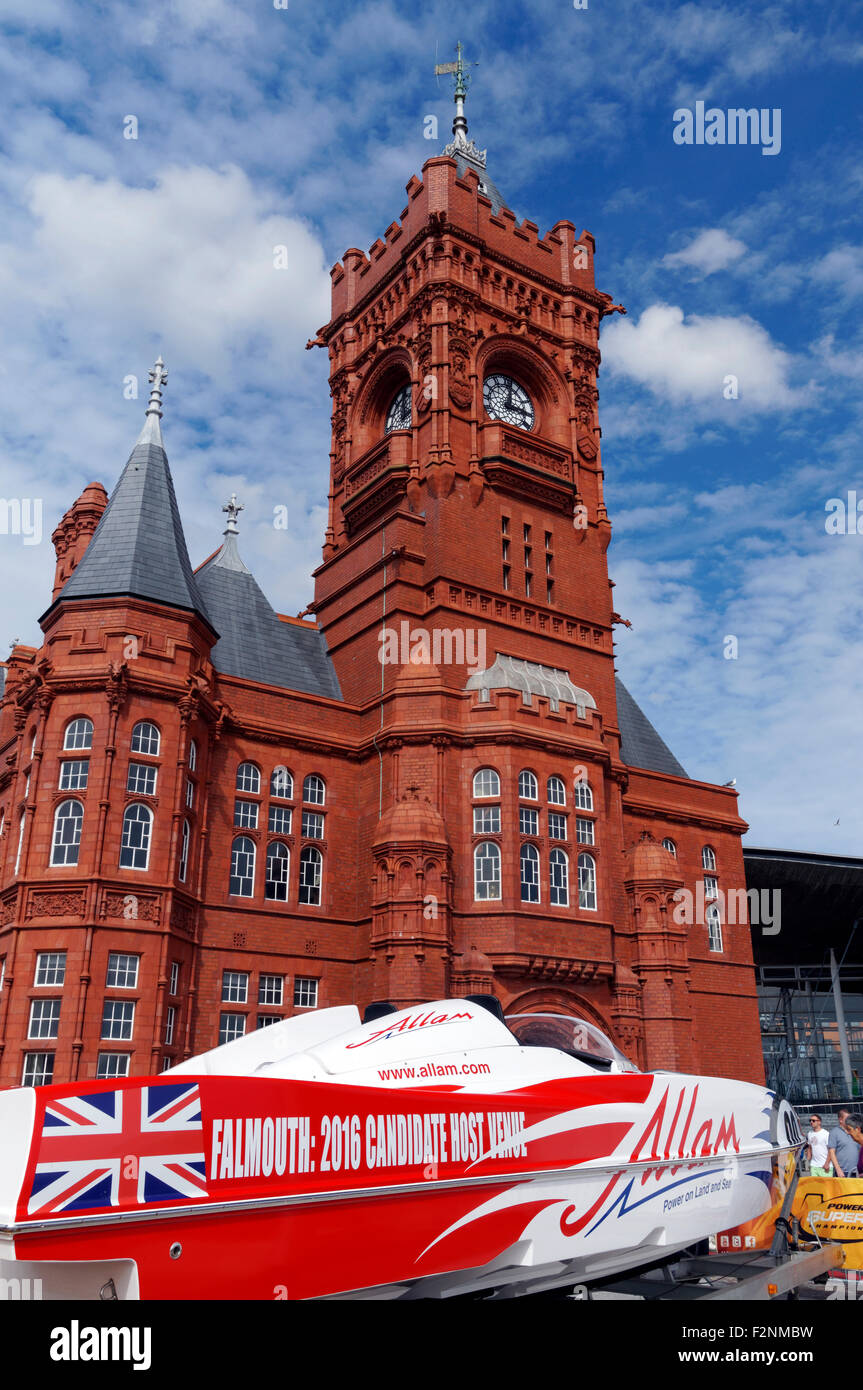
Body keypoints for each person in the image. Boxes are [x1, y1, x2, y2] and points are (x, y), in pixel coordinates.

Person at [827, 1108, 860, 1178]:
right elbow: (831, 1152)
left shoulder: (855, 1132)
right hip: (842, 1173)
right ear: (840, 1120)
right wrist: (838, 1169)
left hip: (857, 1172)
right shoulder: (834, 1132)